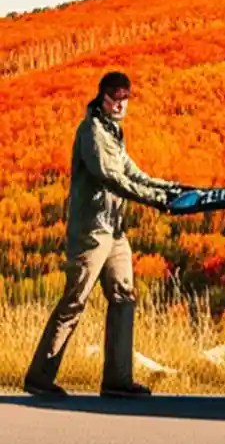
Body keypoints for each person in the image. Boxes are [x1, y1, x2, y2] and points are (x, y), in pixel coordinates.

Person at [24, 71, 186, 398]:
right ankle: (39, 377)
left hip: (115, 230)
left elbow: (132, 171)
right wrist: (156, 200)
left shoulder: (114, 133)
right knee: (75, 299)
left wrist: (170, 188)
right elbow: (111, 178)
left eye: (125, 98)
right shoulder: (92, 132)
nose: (120, 104)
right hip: (91, 232)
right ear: (102, 97)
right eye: (114, 98)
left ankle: (117, 380)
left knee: (124, 296)